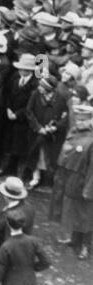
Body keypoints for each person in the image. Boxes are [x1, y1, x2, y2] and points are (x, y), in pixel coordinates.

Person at [53, 101, 93, 259]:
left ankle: (86, 245)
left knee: (87, 216)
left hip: (85, 181)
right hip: (71, 180)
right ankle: (76, 239)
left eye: (84, 119)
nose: (80, 122)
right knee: (74, 212)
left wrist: (89, 189)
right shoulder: (75, 132)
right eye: (78, 119)